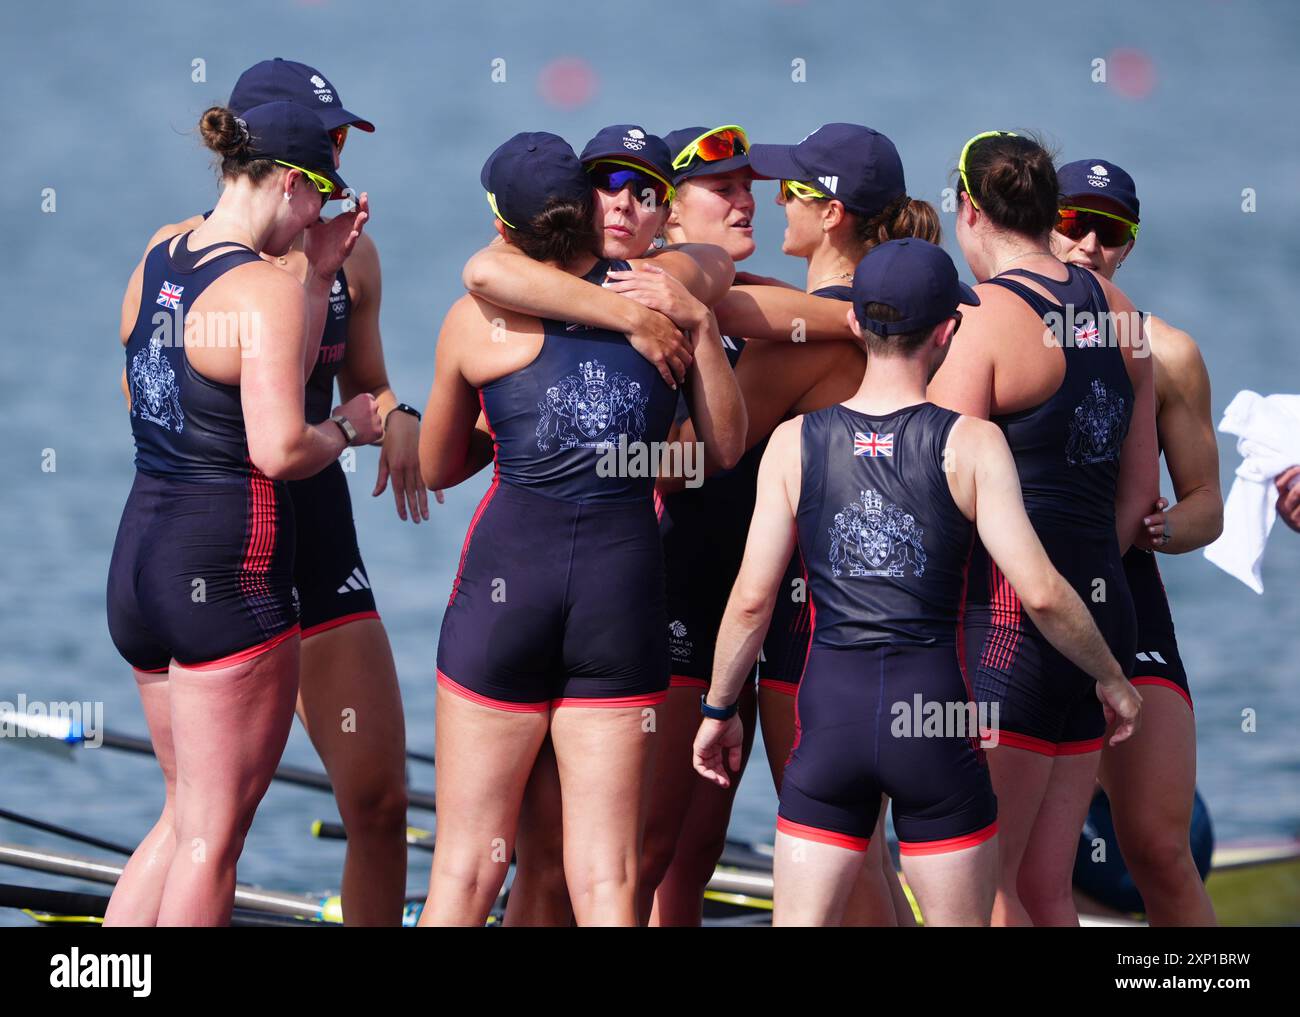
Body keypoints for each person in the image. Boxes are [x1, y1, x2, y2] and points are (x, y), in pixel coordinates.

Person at [694, 238, 1140, 927]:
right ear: (946, 330)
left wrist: (719, 710)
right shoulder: (971, 445)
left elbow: (752, 599)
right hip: (934, 724)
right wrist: (1110, 676)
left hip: (829, 724)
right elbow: (1042, 590)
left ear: (853, 323)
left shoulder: (795, 444)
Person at [417, 133, 744, 927]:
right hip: (622, 592)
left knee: (464, 871)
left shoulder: (478, 317)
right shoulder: (669, 296)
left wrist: (522, 430)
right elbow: (725, 449)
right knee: (606, 878)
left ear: (505, 225)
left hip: (507, 586)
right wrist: (695, 329)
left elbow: (435, 465)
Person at [136, 59, 413, 925]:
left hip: (316, 540)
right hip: (237, 548)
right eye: (329, 151)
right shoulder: (212, 261)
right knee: (210, 825)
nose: (340, 174)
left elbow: (371, 382)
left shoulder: (347, 253)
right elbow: (257, 427)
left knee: (378, 803)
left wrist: (399, 421)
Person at [666, 123, 942, 925]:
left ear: (829, 215)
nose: (769, 199)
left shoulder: (797, 338)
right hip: (897, 617)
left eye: (788, 190)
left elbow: (706, 453)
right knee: (869, 865)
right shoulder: (898, 314)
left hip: (811, 634)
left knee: (837, 869)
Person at [926, 131, 1158, 926]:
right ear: (1050, 211)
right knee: (1048, 889)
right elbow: (1136, 491)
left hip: (1004, 630)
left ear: (968, 209)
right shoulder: (1120, 311)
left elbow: (932, 488)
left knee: (989, 890)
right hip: (1100, 620)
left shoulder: (983, 319)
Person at [1051, 158, 1220, 925]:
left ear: (1128, 245)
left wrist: (1164, 527)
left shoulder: (1170, 352)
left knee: (1157, 846)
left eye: (1108, 230)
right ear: (1040, 224)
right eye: (1070, 222)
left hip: (1128, 603)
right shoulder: (991, 331)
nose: (1087, 242)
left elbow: (1207, 507)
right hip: (1021, 609)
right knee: (1029, 856)